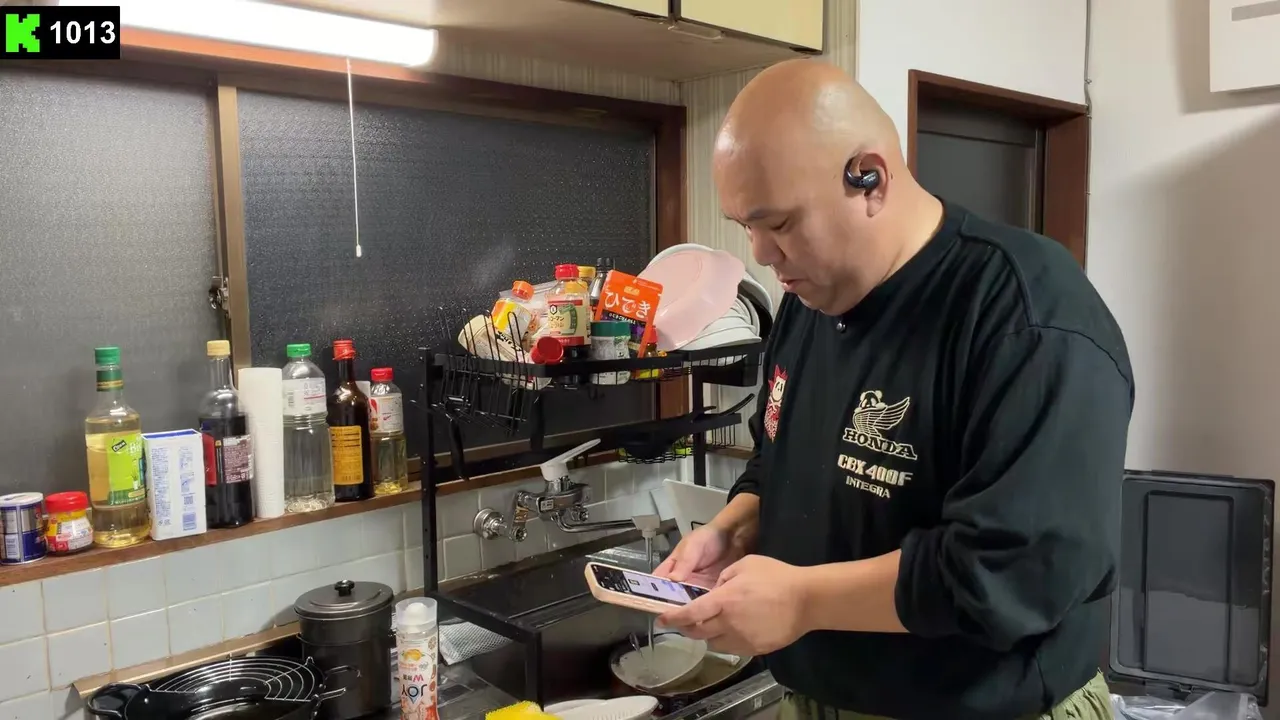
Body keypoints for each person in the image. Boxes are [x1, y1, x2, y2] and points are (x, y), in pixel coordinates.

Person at [653, 59, 1133, 720]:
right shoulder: (808, 300)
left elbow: (1013, 570)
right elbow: (777, 455)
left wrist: (801, 600)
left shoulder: (1026, 315)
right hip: (817, 696)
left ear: (869, 178)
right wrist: (732, 529)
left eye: (781, 224)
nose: (762, 253)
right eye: (745, 227)